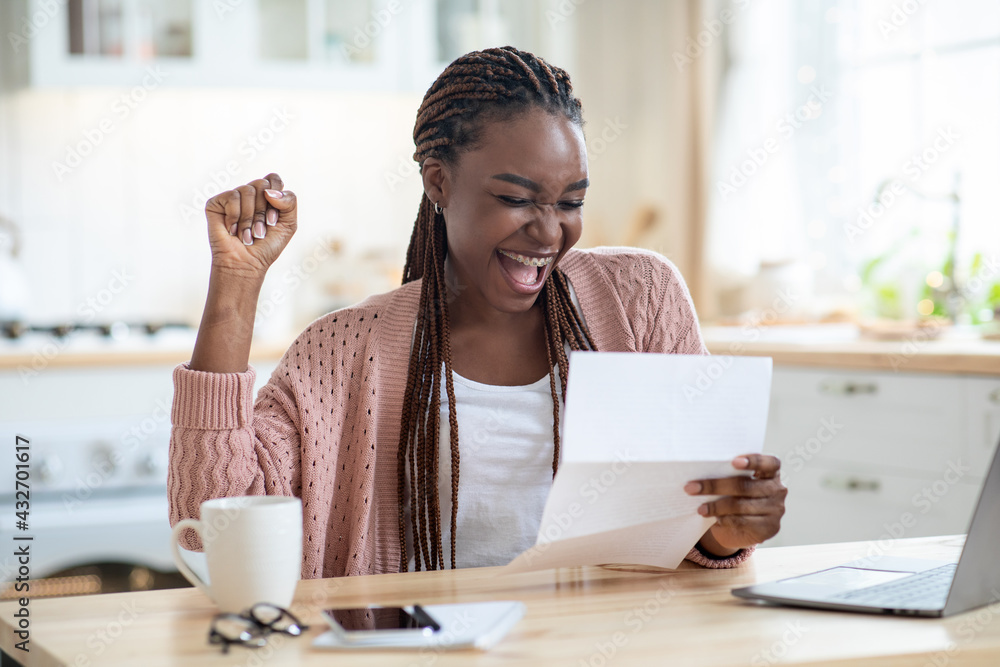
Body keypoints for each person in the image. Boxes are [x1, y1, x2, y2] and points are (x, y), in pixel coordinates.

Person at [169, 46, 786, 579]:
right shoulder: (342, 351)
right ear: (438, 182)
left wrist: (726, 529)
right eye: (516, 199)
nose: (549, 232)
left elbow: (689, 534)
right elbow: (209, 539)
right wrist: (235, 283)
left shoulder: (640, 298)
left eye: (571, 201)